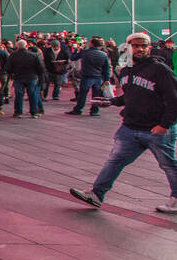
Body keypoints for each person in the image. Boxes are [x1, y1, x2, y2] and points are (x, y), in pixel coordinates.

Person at [70, 32, 177, 214]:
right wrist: (111, 102)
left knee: (168, 164)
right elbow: (131, 95)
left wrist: (165, 125)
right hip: (131, 127)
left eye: (144, 46)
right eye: (136, 45)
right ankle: (96, 194)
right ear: (127, 47)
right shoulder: (127, 70)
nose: (140, 49)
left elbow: (174, 99)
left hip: (156, 129)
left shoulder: (159, 70)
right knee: (115, 161)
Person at [66, 36, 111, 117]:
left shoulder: (84, 52)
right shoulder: (104, 55)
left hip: (87, 76)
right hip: (98, 77)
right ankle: (94, 111)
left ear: (91, 44)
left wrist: (75, 50)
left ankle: (78, 109)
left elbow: (73, 57)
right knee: (96, 95)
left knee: (82, 94)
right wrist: (106, 79)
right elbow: (106, 69)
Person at [6, 39, 46, 118]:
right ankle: (34, 112)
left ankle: (18, 112)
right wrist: (38, 74)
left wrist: (12, 74)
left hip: (18, 77)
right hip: (31, 77)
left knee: (19, 95)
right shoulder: (34, 55)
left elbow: (8, 67)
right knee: (32, 95)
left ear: (17, 46)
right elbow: (41, 67)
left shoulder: (13, 55)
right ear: (26, 46)